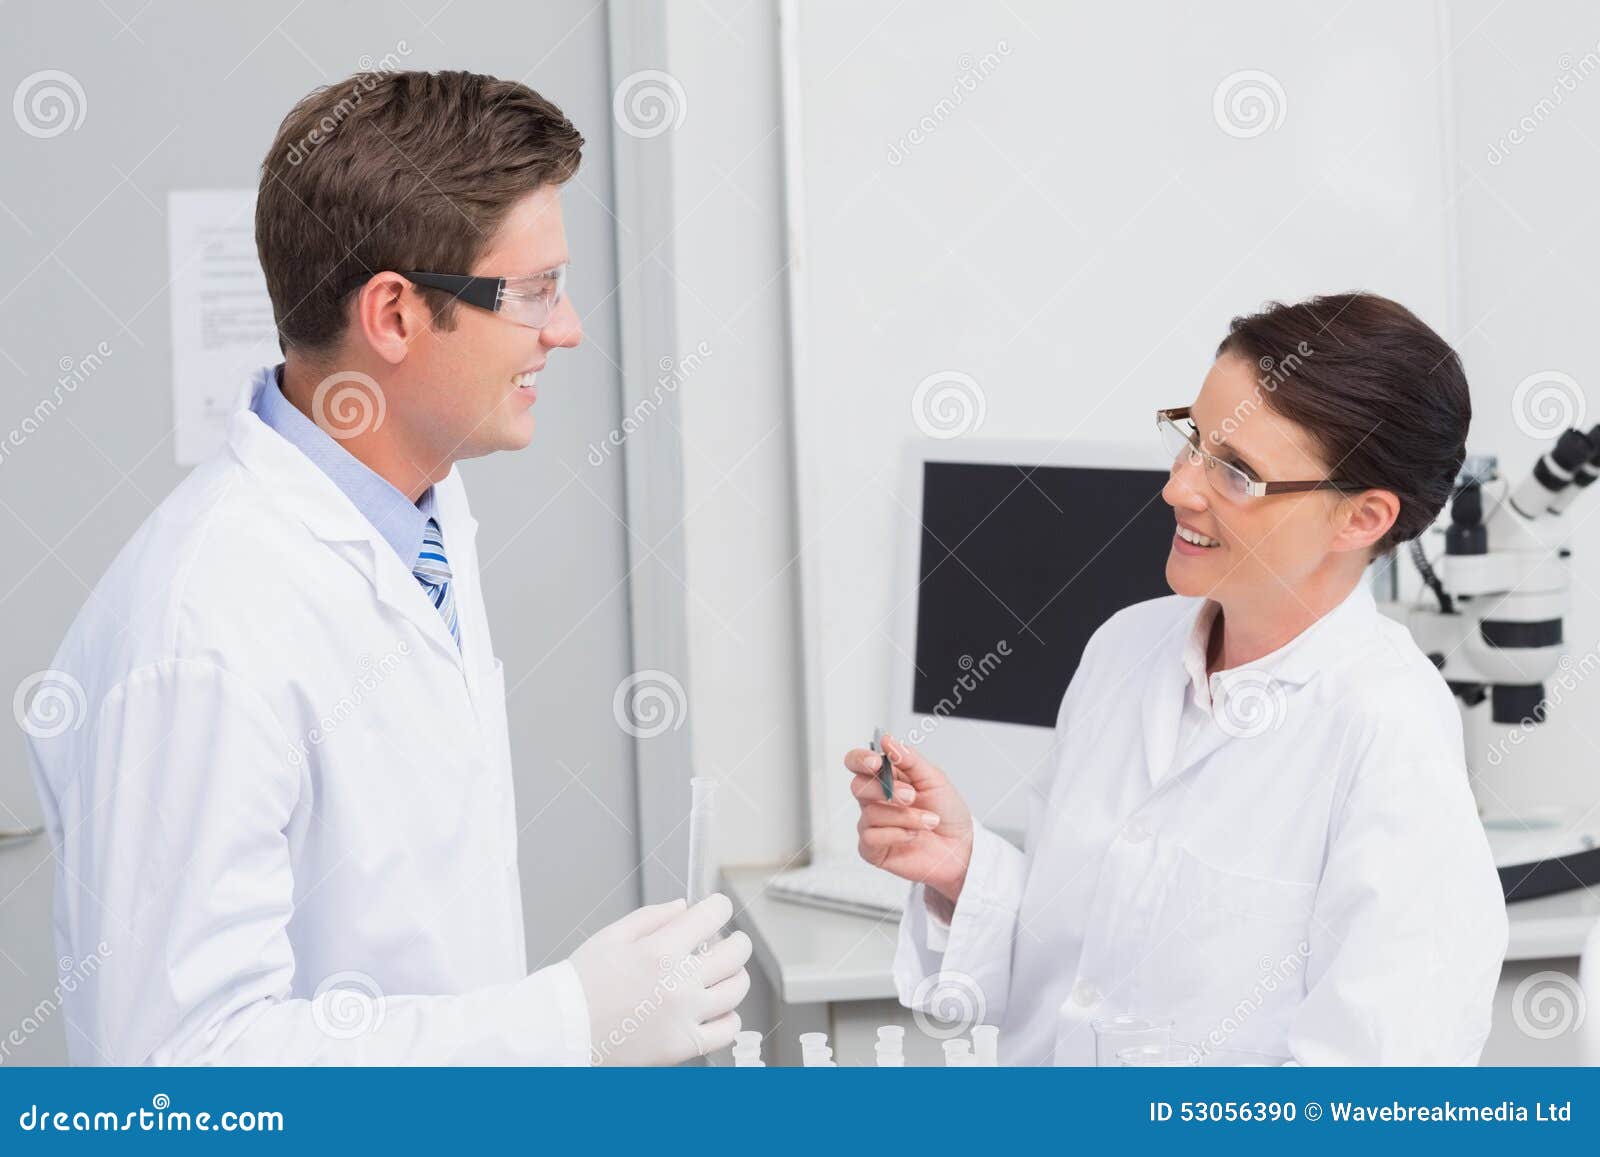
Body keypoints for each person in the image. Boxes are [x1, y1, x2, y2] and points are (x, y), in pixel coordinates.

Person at [24, 70, 749, 1065]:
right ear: (397, 316)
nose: (567, 327)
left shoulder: (420, 517)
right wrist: (564, 1025)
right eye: (533, 292)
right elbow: (182, 1071)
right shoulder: (205, 624)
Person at [845, 293, 1509, 1065]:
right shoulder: (1125, 648)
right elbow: (1086, 975)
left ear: (1359, 519)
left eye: (1235, 472)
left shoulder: (1387, 727)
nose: (1178, 487)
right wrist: (965, 871)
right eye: (1194, 439)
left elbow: (1377, 1085)